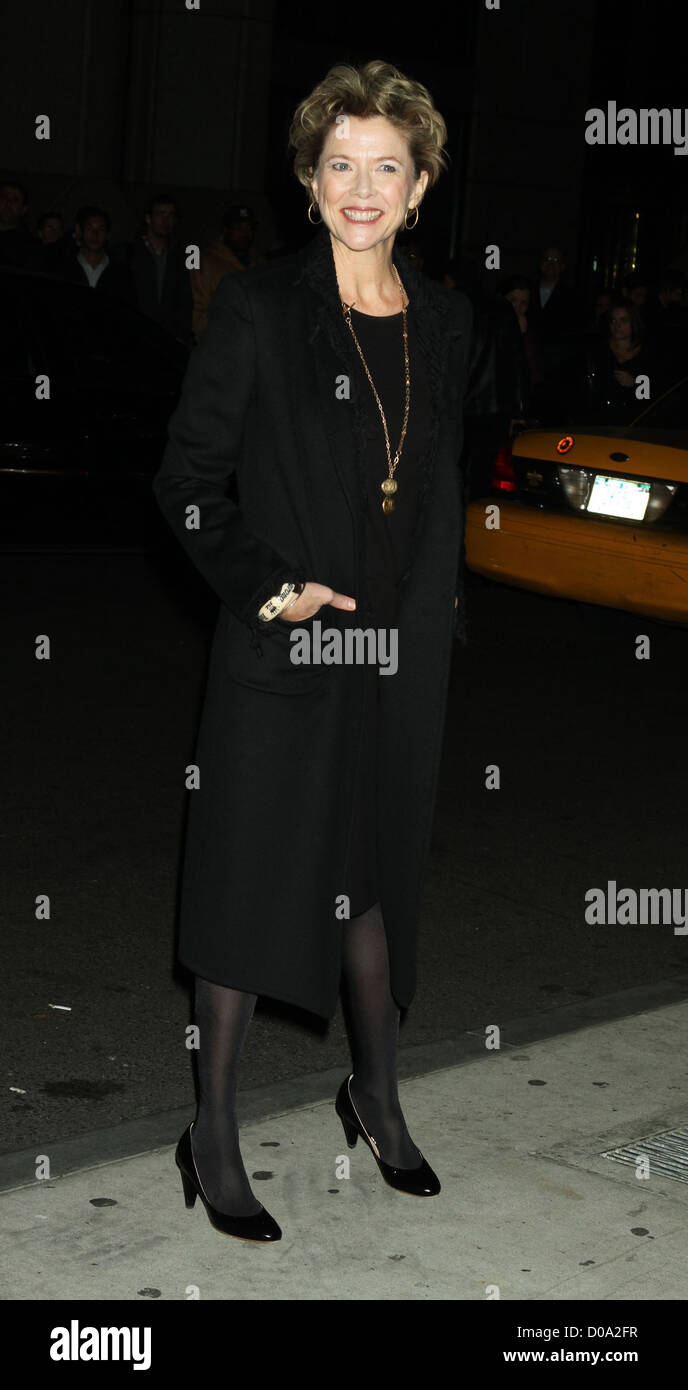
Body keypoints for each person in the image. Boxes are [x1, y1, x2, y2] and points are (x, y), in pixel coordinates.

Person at [152, 58, 473, 1243]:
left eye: (386, 167)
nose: (361, 186)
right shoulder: (258, 310)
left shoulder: (446, 324)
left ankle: (376, 1095)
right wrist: (274, 591)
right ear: (307, 178)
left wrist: (434, 629)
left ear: (421, 186)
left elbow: (429, 497)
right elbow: (184, 486)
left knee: (372, 882)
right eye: (340, 164)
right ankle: (213, 1130)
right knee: (247, 889)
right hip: (285, 653)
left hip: (393, 661)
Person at [117, 193, 192, 343]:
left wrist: (181, 334)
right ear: (148, 218)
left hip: (169, 338)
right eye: (160, 214)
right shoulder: (127, 253)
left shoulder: (182, 255)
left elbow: (186, 299)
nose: (166, 220)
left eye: (170, 215)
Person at [583, 294, 663, 422]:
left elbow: (651, 397)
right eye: (613, 321)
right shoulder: (599, 352)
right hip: (600, 421)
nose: (617, 326)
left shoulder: (647, 355)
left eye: (623, 320)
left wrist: (635, 384)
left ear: (633, 322)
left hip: (633, 422)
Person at [190, 204, 263, 340]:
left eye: (249, 228)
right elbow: (197, 312)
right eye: (238, 228)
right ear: (225, 230)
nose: (244, 233)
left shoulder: (260, 264)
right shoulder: (203, 263)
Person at [62, 205, 135, 303]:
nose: (95, 234)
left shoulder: (121, 273)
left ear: (108, 235)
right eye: (89, 228)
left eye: (101, 229)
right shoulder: (64, 269)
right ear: (80, 231)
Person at [0, 180, 41, 268]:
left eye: (15, 200)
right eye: (4, 197)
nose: (8, 203)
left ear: (23, 209)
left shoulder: (29, 248)